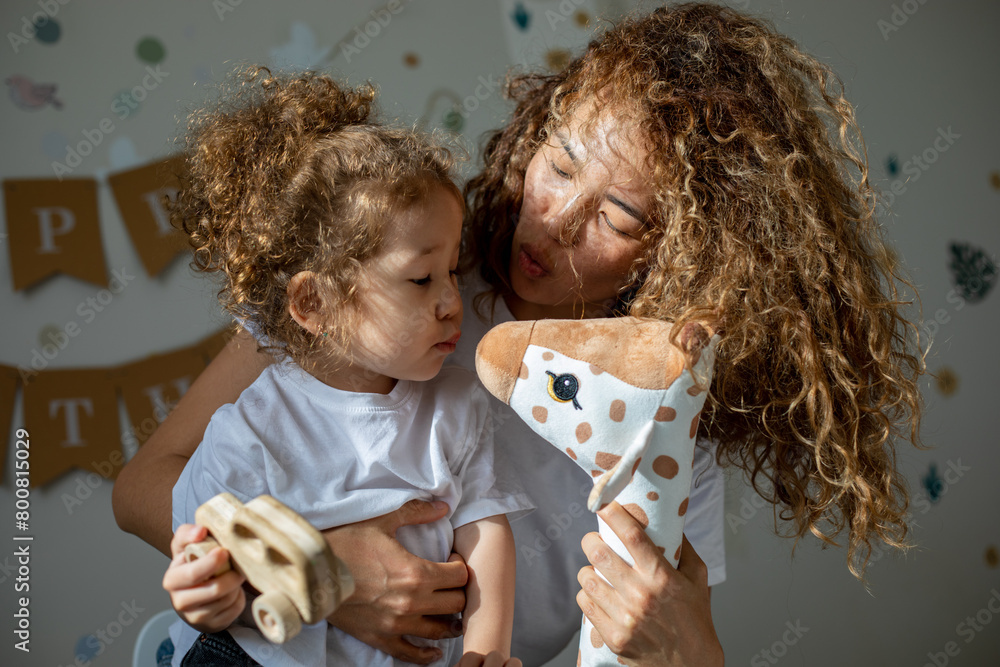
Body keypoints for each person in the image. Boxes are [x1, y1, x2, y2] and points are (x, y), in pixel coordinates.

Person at [115, 5, 924, 667]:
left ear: (685, 251)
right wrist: (322, 573)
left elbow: (679, 649)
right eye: (562, 164)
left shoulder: (659, 429)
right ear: (538, 129)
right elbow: (146, 484)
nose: (554, 220)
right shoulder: (388, 281)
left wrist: (689, 646)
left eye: (618, 215)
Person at [159, 68, 529, 667]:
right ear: (314, 304)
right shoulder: (249, 437)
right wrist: (206, 595)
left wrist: (486, 653)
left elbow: (484, 531)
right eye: (420, 279)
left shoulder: (456, 405)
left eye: (452, 273)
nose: (449, 301)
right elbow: (221, 581)